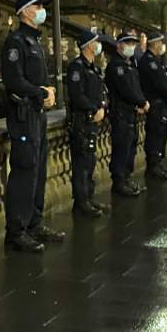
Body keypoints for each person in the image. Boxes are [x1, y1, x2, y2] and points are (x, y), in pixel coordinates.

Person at [0, 0, 62, 253]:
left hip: (37, 115)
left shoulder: (34, 42)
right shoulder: (17, 43)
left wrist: (48, 93)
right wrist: (40, 92)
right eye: (37, 6)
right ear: (25, 12)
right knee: (24, 172)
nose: (41, 10)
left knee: (38, 172)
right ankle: (17, 230)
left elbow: (39, 79)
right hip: (24, 117)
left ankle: (34, 222)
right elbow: (14, 81)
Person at [66, 28, 110, 217]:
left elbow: (100, 92)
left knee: (90, 160)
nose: (98, 45)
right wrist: (94, 109)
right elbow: (77, 96)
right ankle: (81, 201)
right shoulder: (77, 67)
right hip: (82, 121)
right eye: (96, 42)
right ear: (88, 46)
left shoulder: (94, 68)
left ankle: (89, 198)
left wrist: (102, 107)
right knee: (82, 163)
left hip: (93, 121)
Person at [104, 31, 149, 197]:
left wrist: (140, 102)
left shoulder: (130, 65)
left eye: (133, 44)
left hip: (130, 112)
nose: (131, 47)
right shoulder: (116, 67)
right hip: (120, 112)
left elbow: (136, 87)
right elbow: (126, 90)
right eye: (128, 43)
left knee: (130, 146)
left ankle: (127, 177)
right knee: (121, 148)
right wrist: (142, 102)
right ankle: (119, 181)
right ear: (119, 46)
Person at [138, 32, 167, 180]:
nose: (162, 46)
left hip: (161, 103)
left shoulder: (156, 60)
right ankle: (153, 166)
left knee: (162, 133)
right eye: (160, 43)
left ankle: (158, 163)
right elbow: (160, 82)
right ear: (155, 44)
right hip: (155, 103)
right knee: (155, 134)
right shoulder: (149, 62)